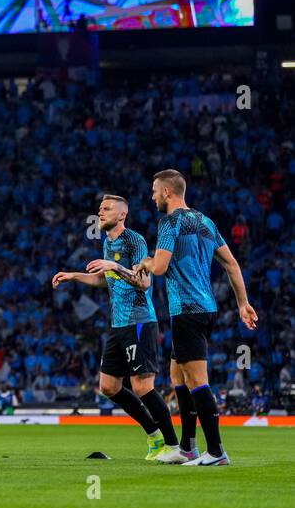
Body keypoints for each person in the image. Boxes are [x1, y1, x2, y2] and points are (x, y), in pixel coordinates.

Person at [133, 169, 258, 466]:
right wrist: (243, 303)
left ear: (166, 192)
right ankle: (188, 447)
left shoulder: (169, 222)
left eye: (154, 190)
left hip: (187, 310)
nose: (151, 196)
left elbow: (160, 267)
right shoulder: (205, 222)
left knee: (197, 380)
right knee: (177, 375)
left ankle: (215, 451)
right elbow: (231, 263)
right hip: (204, 308)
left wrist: (144, 262)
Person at [53, 194, 180, 461]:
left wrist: (114, 265)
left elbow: (144, 283)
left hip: (139, 322)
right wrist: (75, 276)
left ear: (122, 215)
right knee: (109, 386)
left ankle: (174, 446)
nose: (100, 212)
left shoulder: (134, 240)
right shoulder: (108, 243)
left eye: (107, 209)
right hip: (118, 324)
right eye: (99, 208)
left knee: (143, 387)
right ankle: (155, 437)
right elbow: (106, 280)